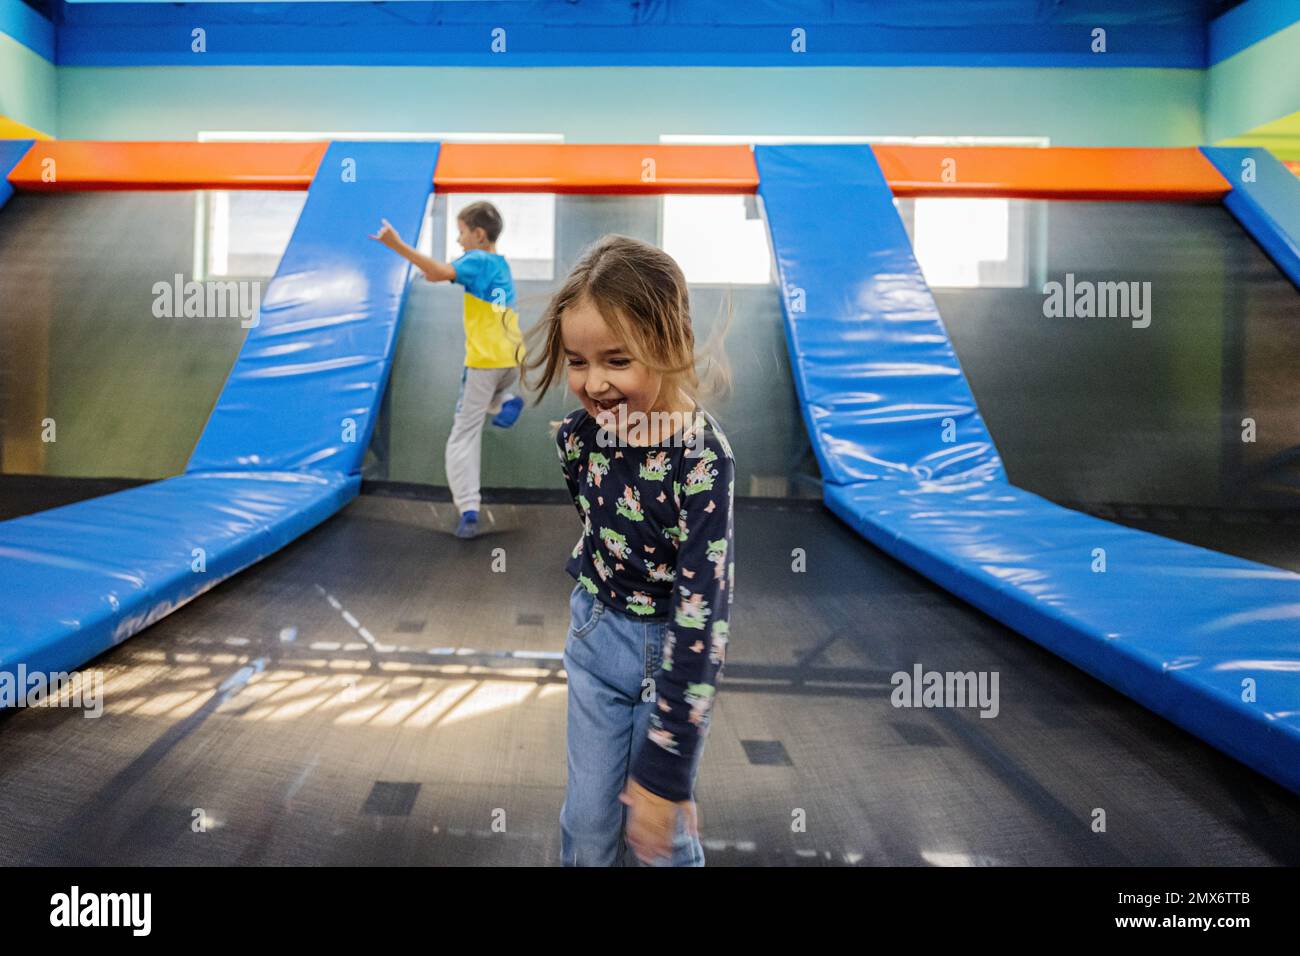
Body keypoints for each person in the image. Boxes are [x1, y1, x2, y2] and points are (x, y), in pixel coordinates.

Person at [519, 233, 736, 866]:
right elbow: (598, 520)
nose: (593, 383)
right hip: (597, 638)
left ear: (668, 347)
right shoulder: (580, 440)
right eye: (578, 362)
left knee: (659, 834)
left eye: (617, 360)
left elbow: (704, 615)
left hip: (676, 649)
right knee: (588, 827)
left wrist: (667, 770)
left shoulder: (703, 458)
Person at [370, 201, 525, 538]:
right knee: (490, 400)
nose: (458, 240)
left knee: (462, 436)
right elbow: (441, 273)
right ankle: (504, 402)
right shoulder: (497, 264)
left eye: (461, 233)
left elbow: (440, 272)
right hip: (511, 359)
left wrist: (396, 246)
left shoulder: (478, 259)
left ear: (479, 234)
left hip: (485, 361)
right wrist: (434, 271)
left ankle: (468, 510)